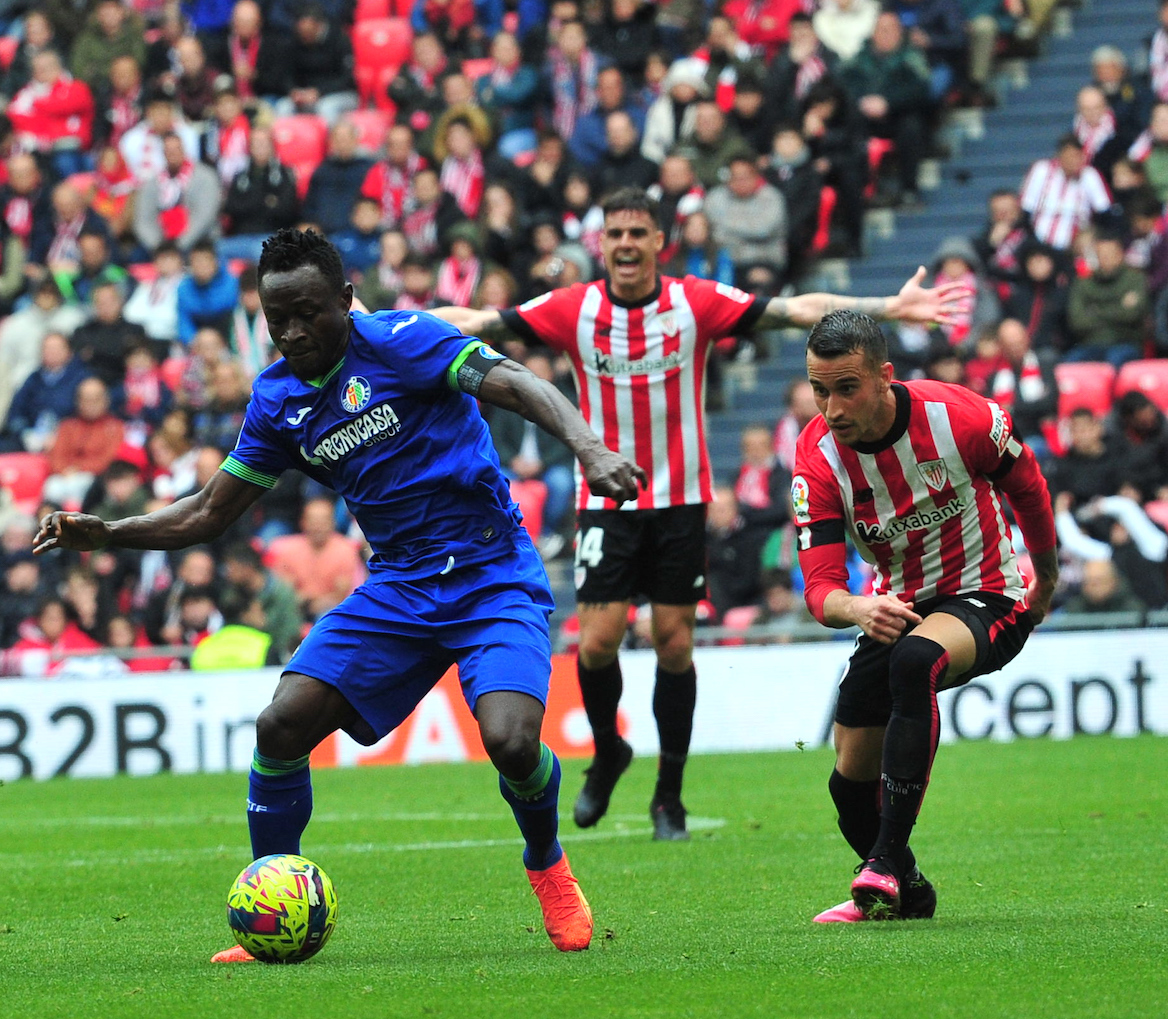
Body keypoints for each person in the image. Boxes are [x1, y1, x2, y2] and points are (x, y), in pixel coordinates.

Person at [36, 228, 646, 960]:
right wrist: (110, 533)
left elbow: (518, 383)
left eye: (309, 312)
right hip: (399, 586)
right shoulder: (276, 400)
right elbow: (207, 512)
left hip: (492, 572)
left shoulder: (405, 340)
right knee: (281, 726)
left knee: (513, 743)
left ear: (347, 300)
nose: (292, 330)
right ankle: (269, 896)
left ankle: (547, 865)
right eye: (277, 317)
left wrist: (589, 447)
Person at [429, 187, 968, 840]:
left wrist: (887, 306)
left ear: (660, 241)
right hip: (607, 501)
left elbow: (797, 309)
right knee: (596, 643)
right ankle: (608, 751)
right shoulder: (573, 308)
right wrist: (382, 334)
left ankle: (669, 798)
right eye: (615, 234)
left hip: (681, 501)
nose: (626, 244)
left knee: (673, 643)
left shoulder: (694, 303)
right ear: (601, 245)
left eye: (638, 232)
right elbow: (480, 322)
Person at [791, 310, 1056, 922]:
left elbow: (1030, 489)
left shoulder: (960, 417)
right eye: (819, 390)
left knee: (916, 661)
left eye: (847, 388)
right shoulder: (817, 459)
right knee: (848, 787)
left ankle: (879, 865)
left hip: (989, 594)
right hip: (896, 607)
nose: (832, 408)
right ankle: (908, 888)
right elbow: (821, 588)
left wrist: (1046, 578)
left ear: (885, 377)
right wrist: (858, 607)